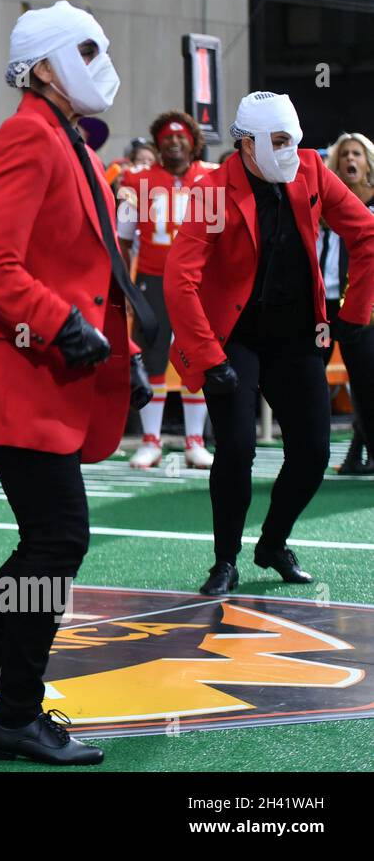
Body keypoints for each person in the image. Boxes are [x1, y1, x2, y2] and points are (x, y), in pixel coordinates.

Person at [0, 1, 154, 766]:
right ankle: (13, 711)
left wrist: (124, 354)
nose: (103, 61)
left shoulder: (64, 138)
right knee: (58, 538)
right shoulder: (29, 137)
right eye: (86, 49)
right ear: (45, 67)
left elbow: (91, 269)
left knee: (47, 542)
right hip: (14, 369)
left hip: (40, 370)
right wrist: (64, 325)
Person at [165, 93, 374, 597]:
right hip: (233, 338)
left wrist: (353, 315)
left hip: (296, 335)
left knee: (314, 452)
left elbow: (367, 234)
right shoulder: (213, 190)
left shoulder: (311, 170)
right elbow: (179, 279)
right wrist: (208, 356)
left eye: (294, 139)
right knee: (236, 447)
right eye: (278, 141)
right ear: (247, 145)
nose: (291, 150)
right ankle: (225, 560)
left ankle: (274, 543)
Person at [117, 112, 219, 468]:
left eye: (180, 137)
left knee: (199, 355)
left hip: (198, 280)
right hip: (153, 277)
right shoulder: (137, 180)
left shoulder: (213, 177)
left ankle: (195, 439)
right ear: (157, 144)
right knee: (152, 357)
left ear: (194, 142)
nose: (173, 142)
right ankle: (151, 440)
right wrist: (125, 285)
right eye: (166, 138)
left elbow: (222, 236)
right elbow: (123, 238)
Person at [322, 132, 374, 473]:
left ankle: (363, 448)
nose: (350, 159)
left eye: (357, 154)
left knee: (367, 380)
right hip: (325, 302)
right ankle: (352, 450)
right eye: (344, 155)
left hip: (365, 302)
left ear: (368, 163)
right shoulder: (326, 202)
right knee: (309, 374)